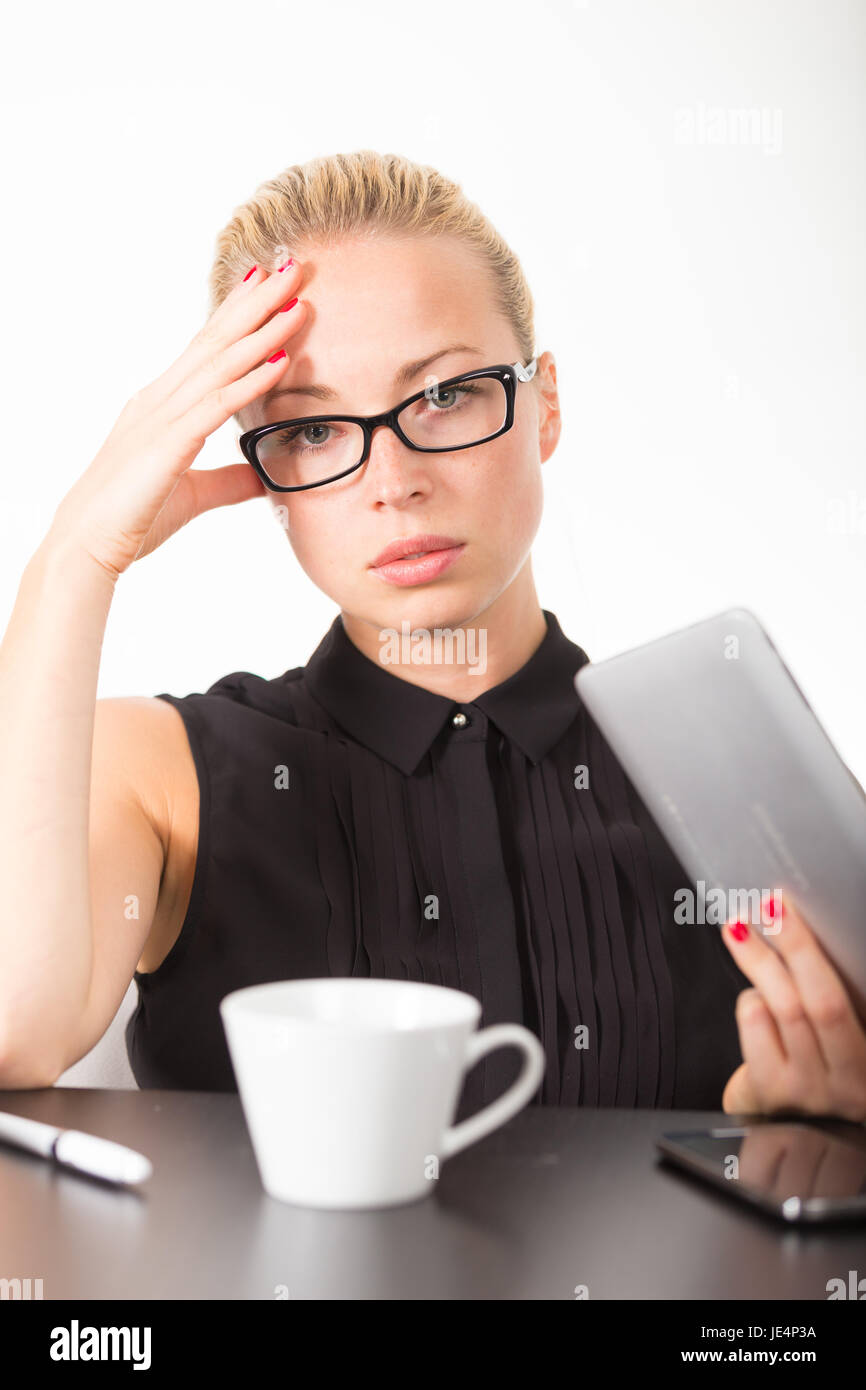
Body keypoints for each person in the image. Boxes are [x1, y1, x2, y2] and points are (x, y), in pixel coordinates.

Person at [1, 150, 864, 1125]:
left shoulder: (729, 776)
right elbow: (13, 1029)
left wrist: (785, 1128)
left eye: (444, 395)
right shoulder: (159, 771)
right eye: (313, 429)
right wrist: (73, 557)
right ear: (264, 468)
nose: (392, 479)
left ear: (542, 403)